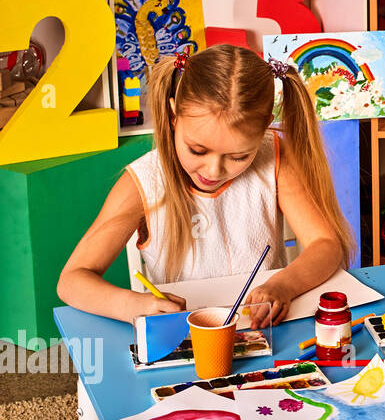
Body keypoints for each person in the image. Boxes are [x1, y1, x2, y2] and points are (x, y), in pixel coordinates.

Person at [58, 45, 353, 327]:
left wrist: (283, 285)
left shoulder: (274, 156)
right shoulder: (144, 181)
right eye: (198, 150)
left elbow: (325, 245)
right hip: (185, 336)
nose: (214, 170)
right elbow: (72, 281)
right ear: (174, 116)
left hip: (265, 330)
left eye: (239, 156)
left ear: (263, 129)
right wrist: (135, 306)